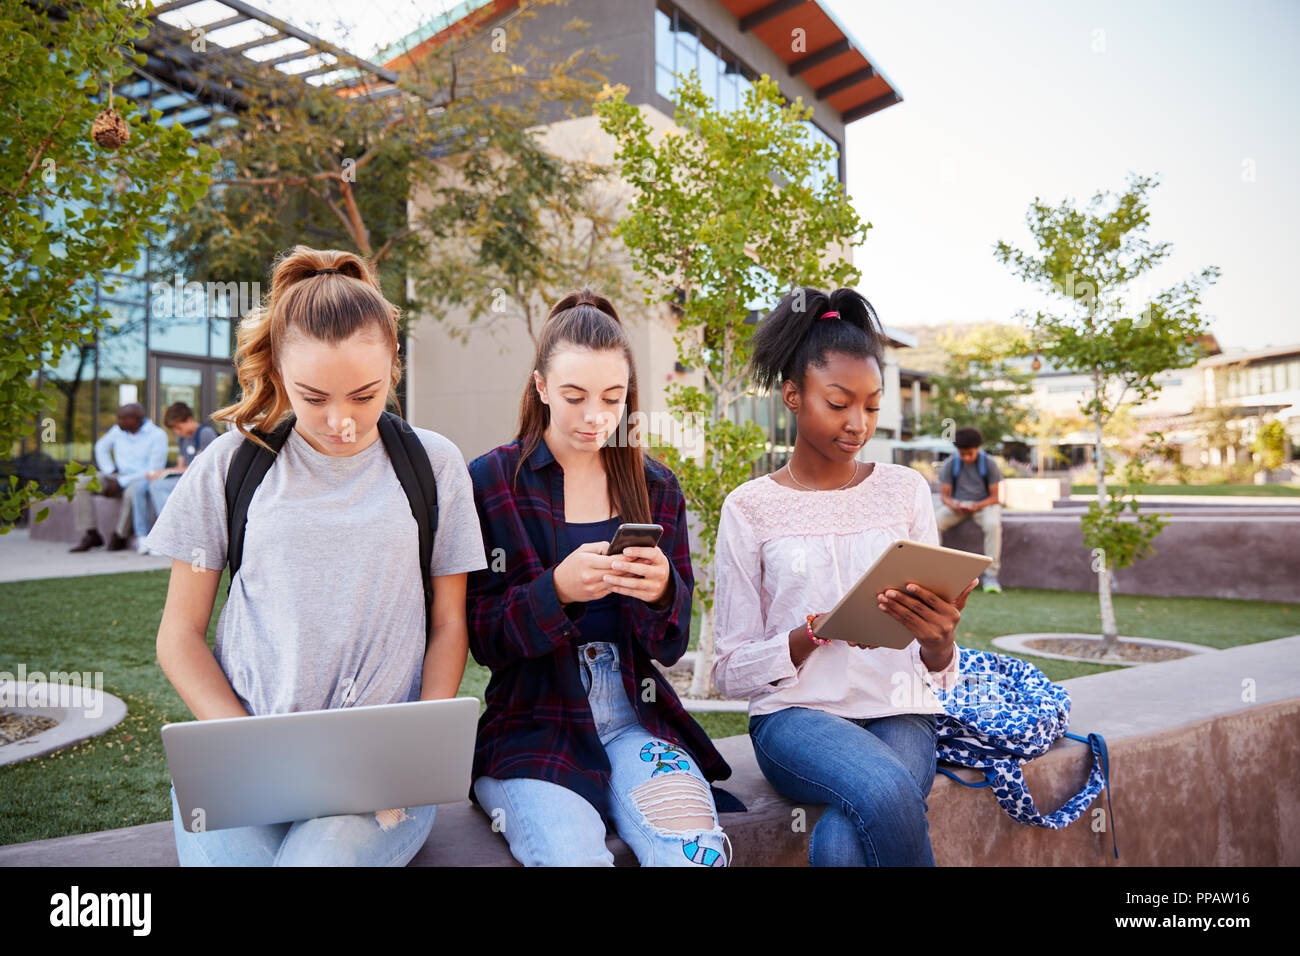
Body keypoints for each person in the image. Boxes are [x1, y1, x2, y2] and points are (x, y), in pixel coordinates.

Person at [144, 245, 487, 866]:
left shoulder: (435, 466)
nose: (342, 421)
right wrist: (240, 741)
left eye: (364, 395)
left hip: (385, 782)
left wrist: (423, 746)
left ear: (395, 367)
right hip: (243, 764)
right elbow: (178, 634)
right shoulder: (228, 466)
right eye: (314, 396)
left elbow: (448, 622)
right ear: (276, 369)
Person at [711, 286, 978, 867]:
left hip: (900, 708)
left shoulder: (905, 490)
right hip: (795, 718)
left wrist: (940, 642)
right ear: (792, 396)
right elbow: (727, 670)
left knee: (842, 839)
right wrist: (810, 634)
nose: (858, 423)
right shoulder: (749, 507)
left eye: (872, 405)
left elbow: (938, 669)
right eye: (838, 403)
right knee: (883, 790)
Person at [465, 289, 732, 867]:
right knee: (570, 858)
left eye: (613, 398)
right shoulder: (491, 481)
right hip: (533, 725)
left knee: (696, 856)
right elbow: (480, 637)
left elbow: (673, 642)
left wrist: (663, 591)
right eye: (574, 396)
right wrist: (554, 591)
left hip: (636, 717)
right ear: (540, 388)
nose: (595, 417)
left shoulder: (655, 486)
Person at [68, 403, 168, 553]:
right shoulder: (117, 431)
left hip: (140, 479)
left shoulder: (157, 435)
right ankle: (91, 534)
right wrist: (110, 469)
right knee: (82, 482)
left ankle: (120, 535)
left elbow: (153, 470)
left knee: (132, 492)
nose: (118, 422)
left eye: (122, 419)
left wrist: (121, 482)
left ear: (136, 419)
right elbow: (101, 448)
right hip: (116, 475)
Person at [138, 403, 219, 555]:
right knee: (154, 484)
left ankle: (169, 535)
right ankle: (161, 534)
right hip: (185, 479)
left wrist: (164, 471)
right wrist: (162, 473)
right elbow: (181, 466)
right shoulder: (183, 438)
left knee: (158, 486)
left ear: (189, 420)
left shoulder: (205, 433)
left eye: (179, 427)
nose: (177, 432)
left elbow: (201, 468)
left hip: (203, 482)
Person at [935, 426, 1003, 592]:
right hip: (958, 507)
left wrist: (977, 506)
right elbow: (945, 497)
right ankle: (933, 573)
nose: (966, 457)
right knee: (933, 522)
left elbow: (995, 497)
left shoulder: (989, 464)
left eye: (970, 453)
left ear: (978, 449)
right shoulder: (950, 464)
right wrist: (955, 505)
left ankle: (991, 576)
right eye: (962, 453)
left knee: (993, 525)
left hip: (984, 506)